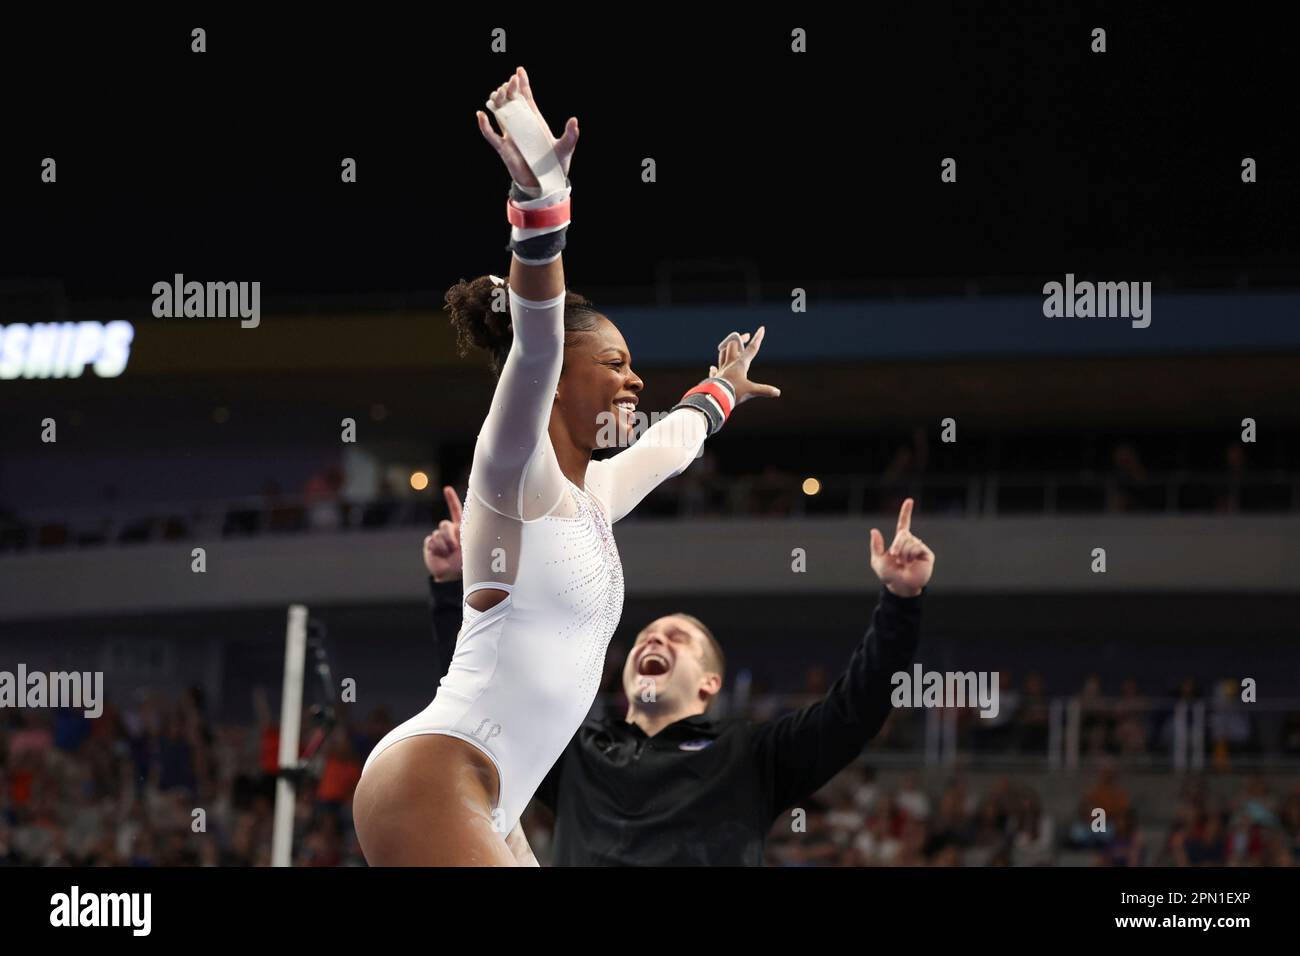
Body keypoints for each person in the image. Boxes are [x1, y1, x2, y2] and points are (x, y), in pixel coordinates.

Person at [352, 66, 779, 866]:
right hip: (440, 772)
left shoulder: (590, 497)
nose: (634, 380)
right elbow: (540, 336)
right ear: (557, 379)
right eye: (616, 363)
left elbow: (669, 444)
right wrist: (541, 204)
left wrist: (720, 390)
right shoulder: (514, 469)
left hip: (494, 797)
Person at [423, 490, 932, 864]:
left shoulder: (751, 757)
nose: (655, 640)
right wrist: (451, 588)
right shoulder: (573, 754)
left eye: (678, 638)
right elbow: (481, 692)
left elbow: (855, 710)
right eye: (646, 636)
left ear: (710, 683)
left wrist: (901, 603)